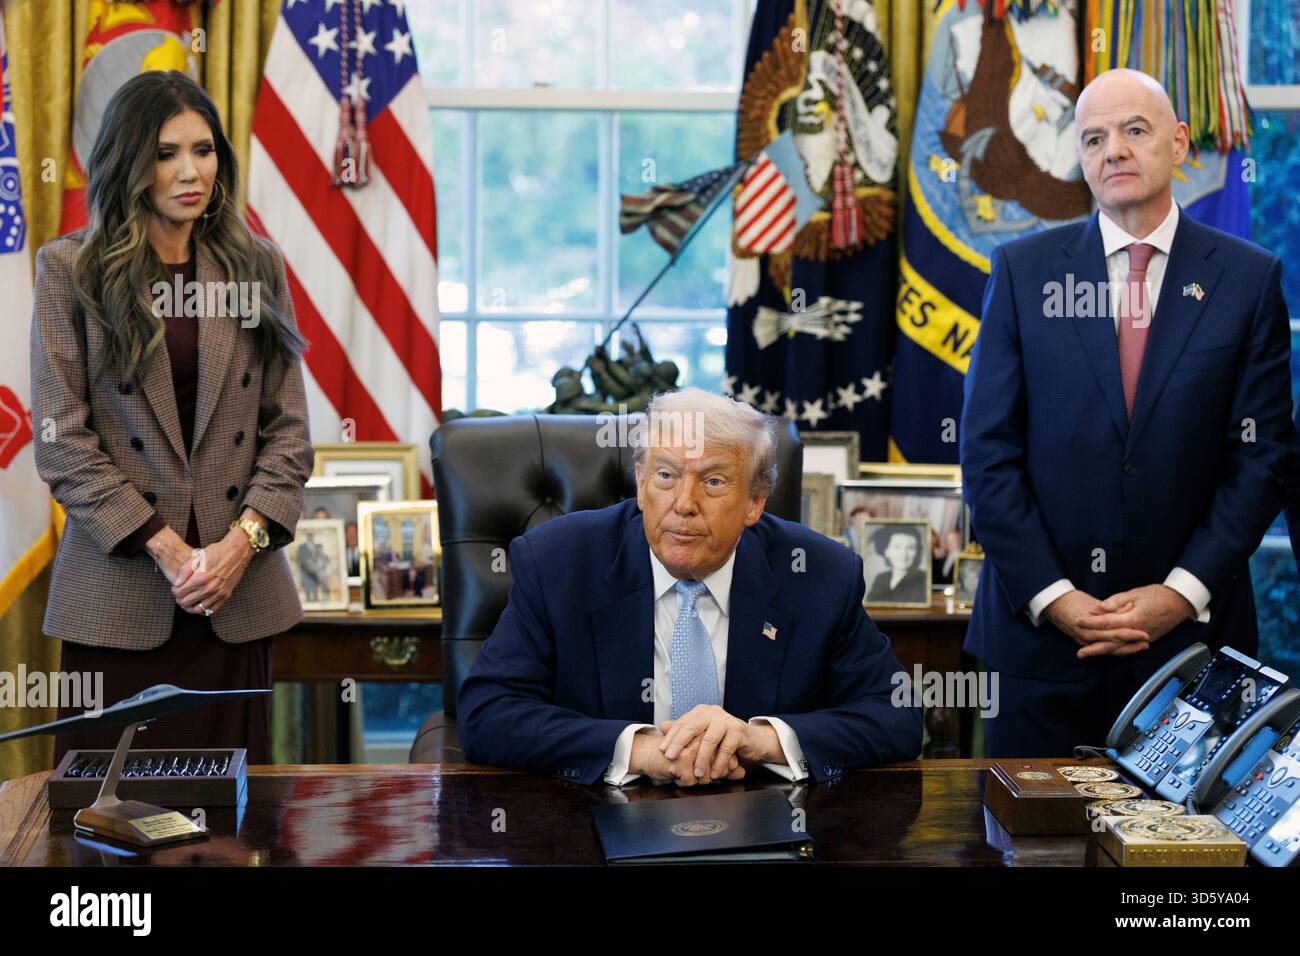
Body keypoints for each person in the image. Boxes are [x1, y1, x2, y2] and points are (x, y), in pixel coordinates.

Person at [960, 69, 1298, 757]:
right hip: (1040, 653)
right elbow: (987, 455)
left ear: (1178, 144)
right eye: (1092, 138)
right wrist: (1057, 598)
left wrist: (1178, 595)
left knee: (1191, 859)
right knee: (1032, 858)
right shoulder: (1023, 273)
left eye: (1133, 131)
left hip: (1192, 651)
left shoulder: (1248, 277)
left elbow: (1261, 458)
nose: (1112, 150)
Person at [31, 71, 313, 766]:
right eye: (165, 153)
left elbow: (289, 434)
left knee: (232, 828)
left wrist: (239, 545)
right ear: (128, 162)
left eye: (204, 149)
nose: (191, 171)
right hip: (119, 599)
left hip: (235, 598)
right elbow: (62, 441)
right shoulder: (70, 269)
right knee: (107, 826)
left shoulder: (256, 267)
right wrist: (171, 550)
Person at [459, 388, 921, 786]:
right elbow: (488, 713)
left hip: (768, 820)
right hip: (593, 822)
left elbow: (897, 715)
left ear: (755, 502)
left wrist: (759, 739)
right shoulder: (556, 563)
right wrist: (639, 750)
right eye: (665, 476)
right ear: (640, 484)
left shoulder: (821, 573)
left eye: (714, 482)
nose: (684, 504)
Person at [866, 526, 928, 604]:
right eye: (897, 547)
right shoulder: (881, 578)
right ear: (886, 551)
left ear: (917, 552)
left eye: (910, 548)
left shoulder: (923, 579)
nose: (903, 554)